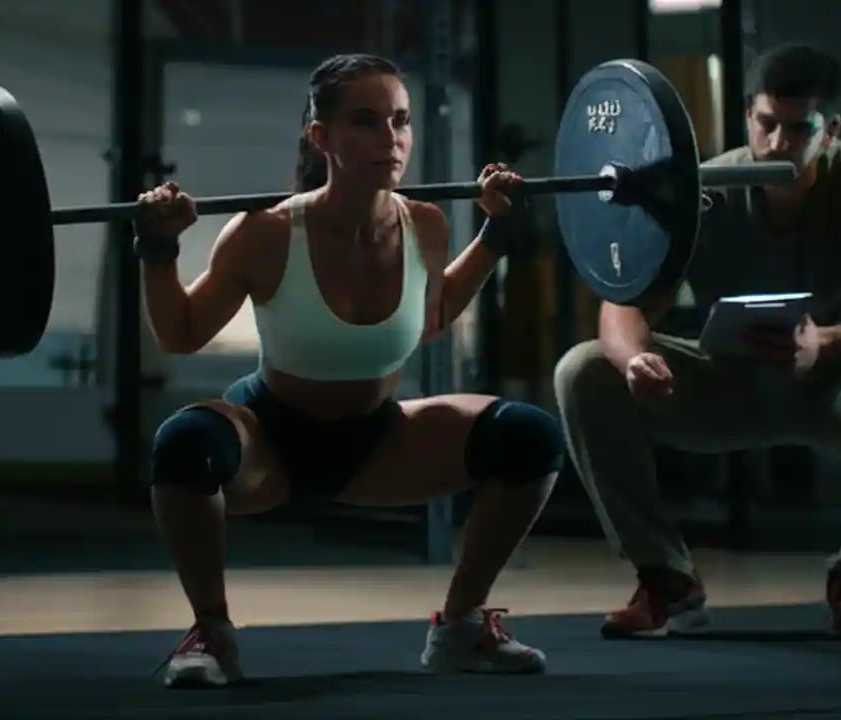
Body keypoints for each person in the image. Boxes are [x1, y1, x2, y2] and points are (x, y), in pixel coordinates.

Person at [133, 53, 563, 688]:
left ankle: (460, 626)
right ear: (321, 137)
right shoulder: (266, 232)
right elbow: (181, 333)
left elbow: (430, 314)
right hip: (270, 442)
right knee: (184, 445)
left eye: (400, 121)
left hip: (378, 440)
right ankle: (212, 634)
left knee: (530, 437)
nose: (390, 140)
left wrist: (495, 237)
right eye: (366, 122)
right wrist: (158, 246)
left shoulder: (425, 223)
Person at [553, 43, 841, 641]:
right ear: (747, 118)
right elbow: (625, 306)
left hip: (829, 384)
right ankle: (667, 578)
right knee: (582, 370)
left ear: (831, 130)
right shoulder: (704, 190)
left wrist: (828, 337)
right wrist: (635, 359)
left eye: (799, 129)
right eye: (767, 124)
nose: (778, 142)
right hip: (725, 386)